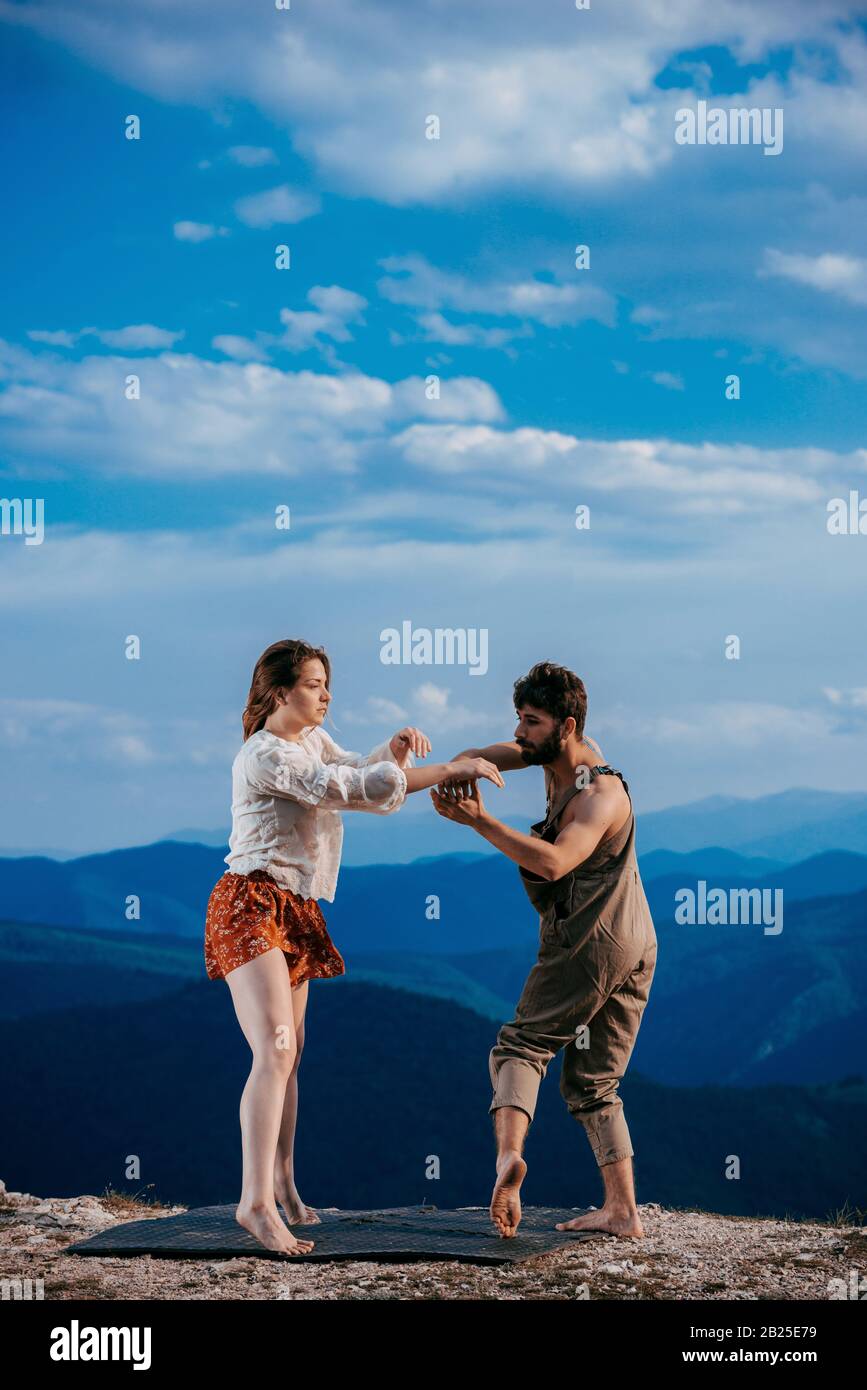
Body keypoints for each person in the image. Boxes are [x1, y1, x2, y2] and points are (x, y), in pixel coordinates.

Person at [203, 637, 505, 1257]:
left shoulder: (309, 742)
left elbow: (353, 770)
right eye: (314, 685)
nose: (326, 695)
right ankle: (253, 1202)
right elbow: (350, 792)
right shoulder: (265, 755)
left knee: (294, 1053)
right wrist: (450, 768)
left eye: (325, 684)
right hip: (251, 904)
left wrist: (390, 751)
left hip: (295, 906)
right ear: (279, 691)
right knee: (274, 1048)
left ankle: (283, 1182)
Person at [431, 661, 657, 1241]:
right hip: (637, 941)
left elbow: (554, 862)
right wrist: (456, 769)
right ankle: (623, 1212)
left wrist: (480, 820)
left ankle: (508, 1156)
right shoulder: (557, 755)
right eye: (520, 719)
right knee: (594, 1082)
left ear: (568, 724)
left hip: (591, 943)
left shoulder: (597, 794)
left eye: (531, 722)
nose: (520, 732)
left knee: (521, 1045)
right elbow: (494, 754)